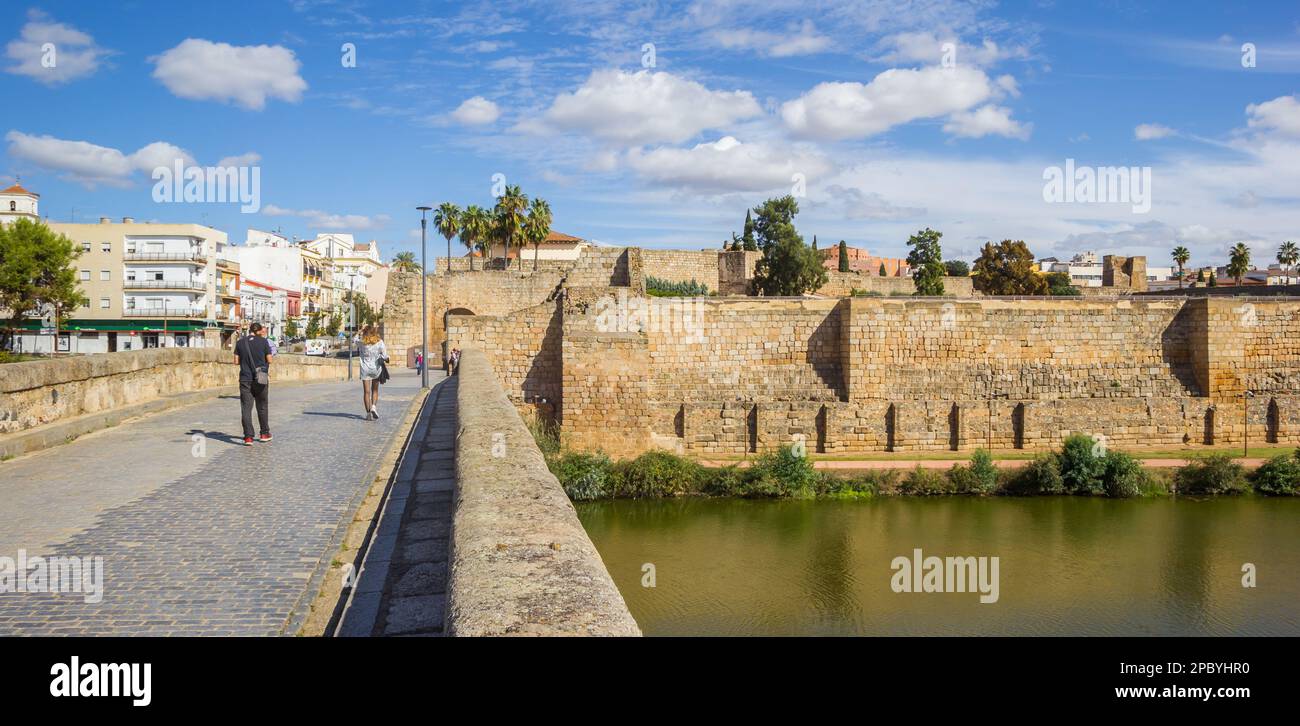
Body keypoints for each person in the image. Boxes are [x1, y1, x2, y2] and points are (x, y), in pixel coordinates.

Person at [233, 322, 274, 445]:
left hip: (245, 377)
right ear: (259, 331)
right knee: (262, 405)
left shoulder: (240, 342)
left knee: (246, 407)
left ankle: (248, 437)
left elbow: (236, 361)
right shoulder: (263, 342)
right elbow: (270, 360)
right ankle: (264, 433)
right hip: (261, 375)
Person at [357, 325, 388, 420]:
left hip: (365, 369)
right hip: (376, 369)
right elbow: (385, 356)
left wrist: (359, 332)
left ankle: (368, 413)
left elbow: (353, 340)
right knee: (375, 390)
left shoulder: (361, 343)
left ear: (365, 332)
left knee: (366, 392)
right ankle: (373, 407)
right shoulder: (379, 342)